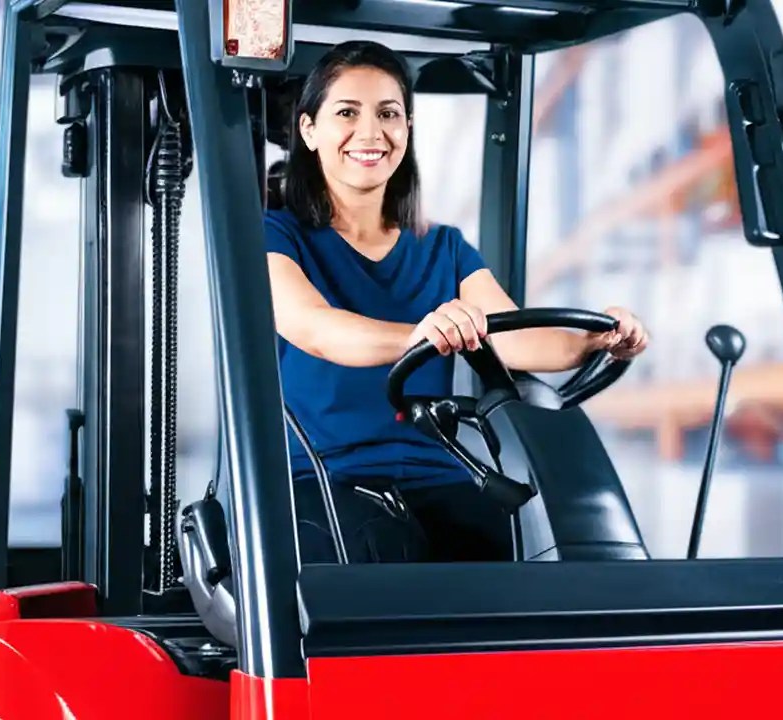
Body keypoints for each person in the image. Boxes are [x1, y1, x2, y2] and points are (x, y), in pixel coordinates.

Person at [264, 40, 649, 564]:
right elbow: (316, 328)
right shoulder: (277, 236)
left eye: (388, 113)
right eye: (347, 113)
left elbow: (510, 334)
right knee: (382, 558)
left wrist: (597, 339)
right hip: (324, 476)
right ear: (309, 129)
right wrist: (422, 334)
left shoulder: (443, 247)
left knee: (533, 558)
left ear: (407, 127)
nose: (370, 132)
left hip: (438, 473)